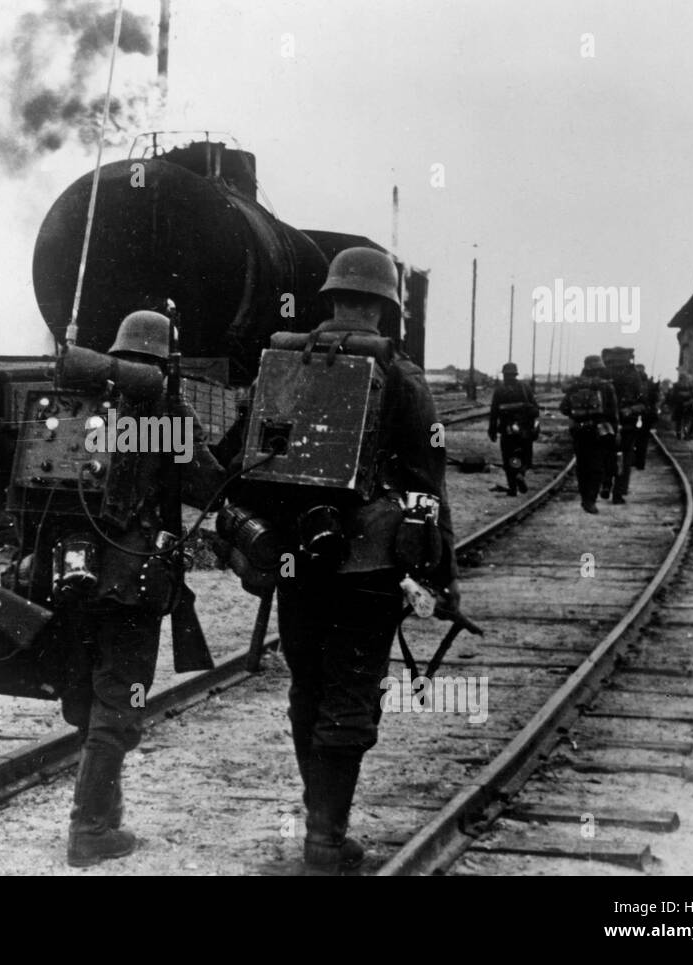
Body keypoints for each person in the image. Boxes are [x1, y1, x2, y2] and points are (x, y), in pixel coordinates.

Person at [220, 247, 459, 874]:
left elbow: (236, 466)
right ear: (385, 307)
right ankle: (325, 839)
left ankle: (322, 826)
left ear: (329, 301)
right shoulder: (399, 375)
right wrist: (442, 575)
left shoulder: (280, 365)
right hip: (366, 568)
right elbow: (427, 483)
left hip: (298, 561)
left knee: (308, 688)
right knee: (349, 697)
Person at [40, 309, 226, 868]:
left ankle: (105, 813)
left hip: (69, 574)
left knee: (89, 695)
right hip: (131, 582)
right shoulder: (163, 412)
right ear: (165, 362)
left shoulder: (81, 402)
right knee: (120, 701)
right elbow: (209, 485)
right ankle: (90, 829)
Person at [560, 355, 619, 514]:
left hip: (579, 431)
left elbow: (564, 408)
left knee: (582, 466)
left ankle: (585, 498)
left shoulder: (575, 386)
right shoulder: (606, 386)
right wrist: (614, 432)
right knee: (597, 467)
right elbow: (612, 412)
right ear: (600, 369)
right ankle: (590, 500)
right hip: (598, 432)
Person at [488, 362, 540, 496]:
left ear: (504, 375)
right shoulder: (525, 387)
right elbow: (535, 409)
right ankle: (520, 473)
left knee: (509, 458)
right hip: (524, 430)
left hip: (507, 430)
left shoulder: (499, 391)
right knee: (524, 456)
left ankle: (513, 488)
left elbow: (494, 413)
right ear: (516, 374)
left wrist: (492, 430)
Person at [603, 353, 643, 504]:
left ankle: (606, 484)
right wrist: (631, 410)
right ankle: (618, 493)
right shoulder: (633, 375)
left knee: (605, 455)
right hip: (627, 423)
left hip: (606, 423)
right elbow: (642, 401)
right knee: (625, 458)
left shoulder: (605, 373)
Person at [633, 363, 659, 471]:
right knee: (643, 440)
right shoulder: (649, 383)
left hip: (637, 414)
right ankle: (640, 462)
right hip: (646, 414)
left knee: (635, 438)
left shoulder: (633, 382)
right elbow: (655, 398)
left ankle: (636, 461)